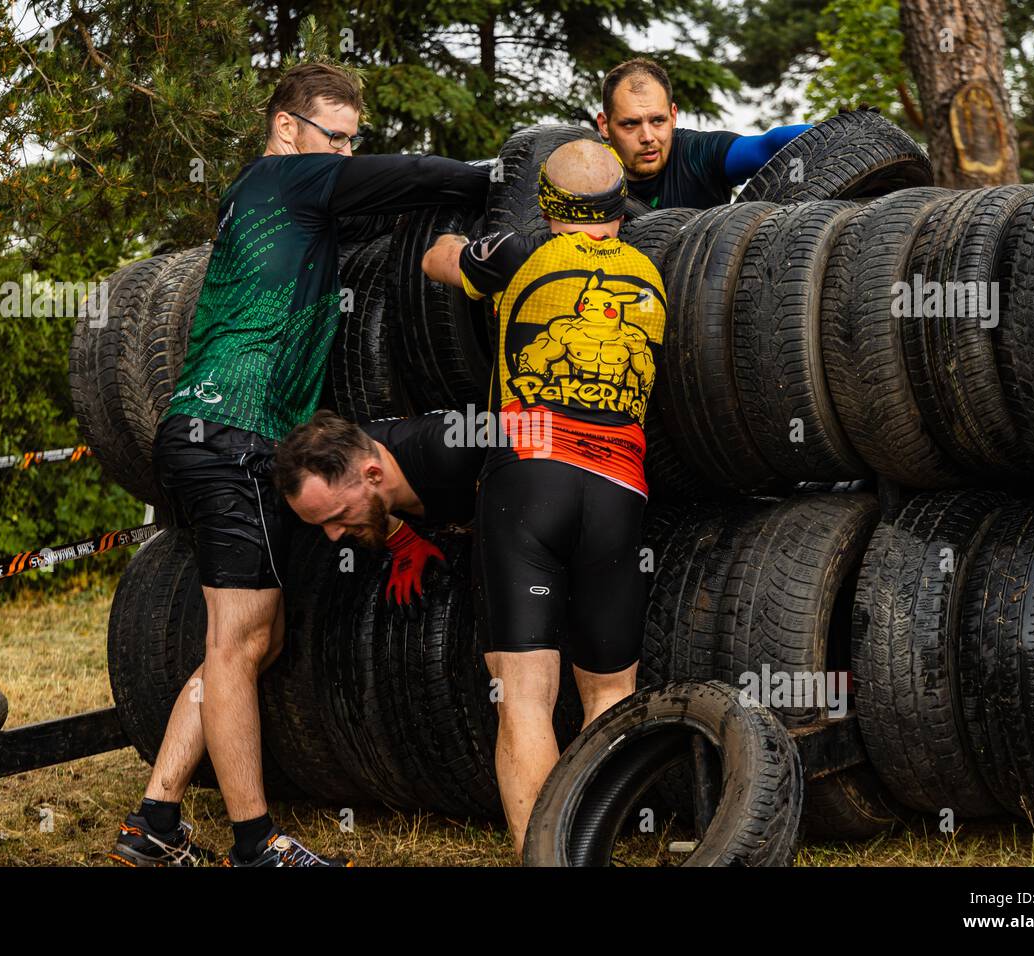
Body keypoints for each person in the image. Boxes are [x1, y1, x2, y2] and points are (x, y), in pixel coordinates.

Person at [109, 61, 489, 869]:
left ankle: (155, 820)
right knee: (240, 644)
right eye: (336, 139)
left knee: (251, 642)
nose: (346, 157)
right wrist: (496, 174)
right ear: (290, 130)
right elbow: (416, 177)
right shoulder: (289, 180)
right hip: (234, 433)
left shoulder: (270, 202)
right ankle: (256, 844)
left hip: (207, 434)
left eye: (355, 143)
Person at [420, 139, 666, 858]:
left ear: (548, 207)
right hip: (621, 486)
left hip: (531, 475)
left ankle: (543, 857)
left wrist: (451, 235)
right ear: (619, 207)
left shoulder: (520, 252)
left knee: (525, 689)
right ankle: (599, 850)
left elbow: (440, 261)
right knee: (611, 691)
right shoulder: (650, 273)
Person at [273, 409, 484, 619]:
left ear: (373, 474)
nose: (332, 535)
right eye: (321, 523)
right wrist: (402, 541)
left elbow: (515, 425)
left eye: (339, 515)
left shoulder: (454, 445)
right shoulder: (354, 473)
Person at [596, 56, 811, 210]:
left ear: (673, 115)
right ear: (605, 125)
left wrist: (837, 129)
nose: (648, 137)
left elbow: (775, 145)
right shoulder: (587, 171)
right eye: (630, 124)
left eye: (658, 120)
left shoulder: (698, 154)